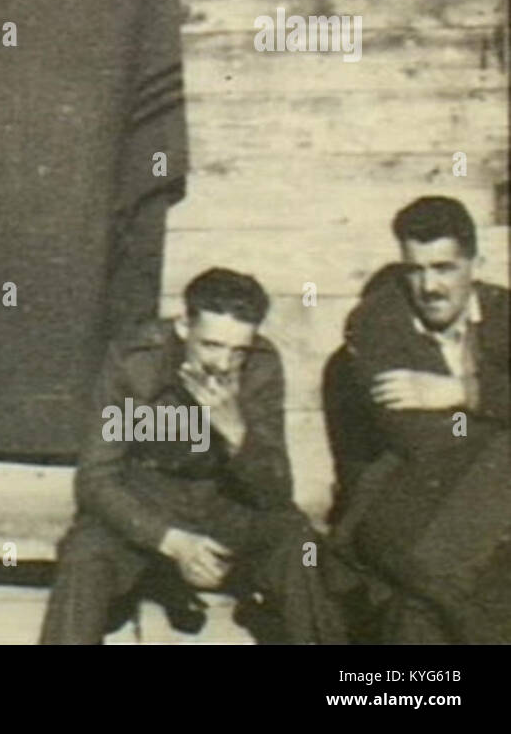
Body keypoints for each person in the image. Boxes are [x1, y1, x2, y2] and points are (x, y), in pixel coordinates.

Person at [41, 267, 345, 644]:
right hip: (148, 500)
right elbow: (95, 480)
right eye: (211, 345)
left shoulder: (261, 365)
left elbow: (275, 492)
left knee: (300, 545)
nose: (222, 364)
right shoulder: (136, 361)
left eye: (238, 351)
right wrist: (172, 541)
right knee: (84, 555)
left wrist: (236, 433)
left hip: (224, 503)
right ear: (184, 327)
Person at [329, 196, 510, 643]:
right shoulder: (376, 324)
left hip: (485, 512)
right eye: (416, 269)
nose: (429, 287)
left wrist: (465, 392)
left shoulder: (504, 311)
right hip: (399, 507)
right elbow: (421, 441)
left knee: (419, 614)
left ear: (475, 263)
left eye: (444, 267)